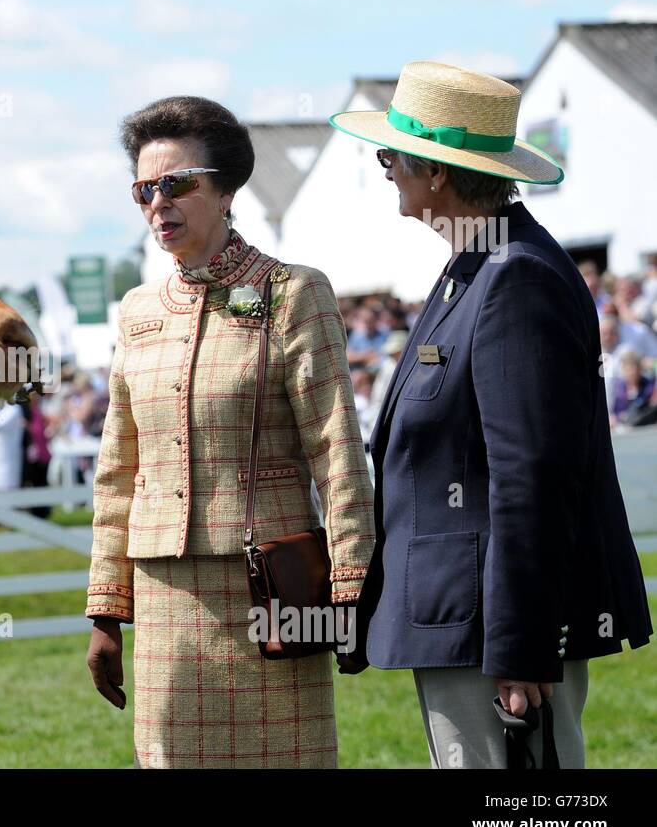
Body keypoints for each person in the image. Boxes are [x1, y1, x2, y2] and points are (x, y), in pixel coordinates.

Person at [331, 60, 652, 768]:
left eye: (391, 156)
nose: (385, 170)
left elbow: (531, 477)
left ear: (437, 172)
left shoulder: (514, 276)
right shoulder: (478, 266)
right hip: (467, 622)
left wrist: (521, 644)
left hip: (493, 634)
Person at [85, 95, 375, 768]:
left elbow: (336, 449)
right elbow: (115, 470)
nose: (158, 202)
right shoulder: (135, 312)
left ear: (226, 188)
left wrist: (352, 581)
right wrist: (105, 608)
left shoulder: (293, 293)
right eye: (143, 190)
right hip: (163, 601)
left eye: (177, 183)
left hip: (272, 589)